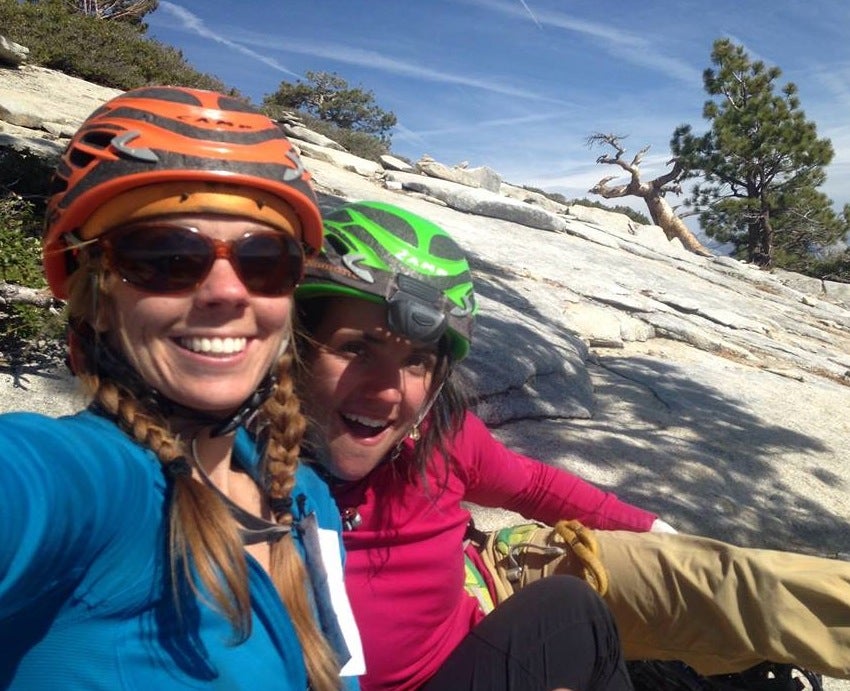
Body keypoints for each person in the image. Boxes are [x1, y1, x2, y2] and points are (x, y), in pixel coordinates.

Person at [293, 200, 850, 691]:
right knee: (574, 610)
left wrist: (656, 532)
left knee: (731, 582)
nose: (389, 391)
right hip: (486, 653)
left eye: (417, 360)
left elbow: (532, 484)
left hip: (494, 577)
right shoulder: (237, 488)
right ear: (296, 345)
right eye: (357, 349)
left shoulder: (436, 434)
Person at [0, 86, 360, 690]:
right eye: (166, 256)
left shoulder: (304, 498)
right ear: (100, 299)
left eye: (265, 260)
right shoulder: (93, 483)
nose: (228, 292)